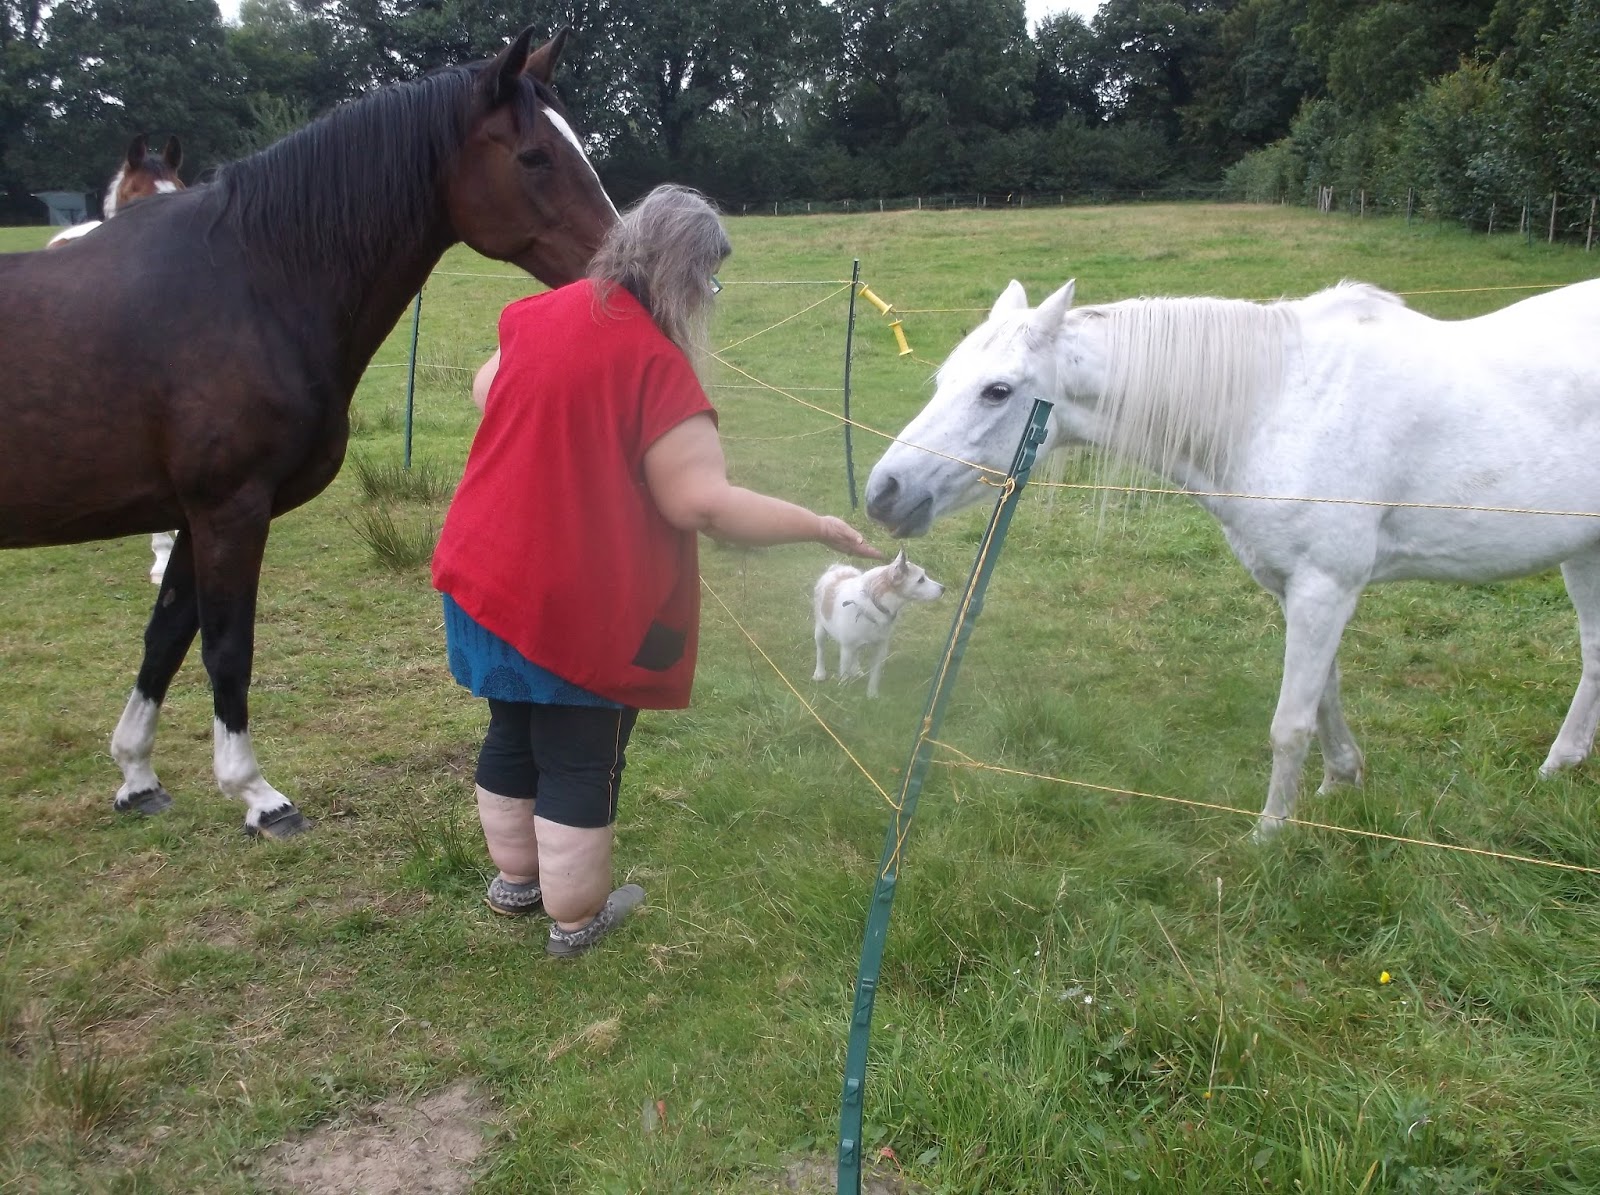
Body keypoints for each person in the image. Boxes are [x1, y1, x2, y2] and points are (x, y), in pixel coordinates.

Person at [432, 184, 881, 958]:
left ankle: (516, 883)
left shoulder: (537, 314)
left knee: (511, 724)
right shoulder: (654, 362)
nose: (710, 297)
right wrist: (817, 526)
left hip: (484, 572)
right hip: (576, 601)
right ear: (686, 274)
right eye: (709, 281)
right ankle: (575, 923)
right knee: (579, 750)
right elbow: (702, 503)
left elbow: (487, 387)